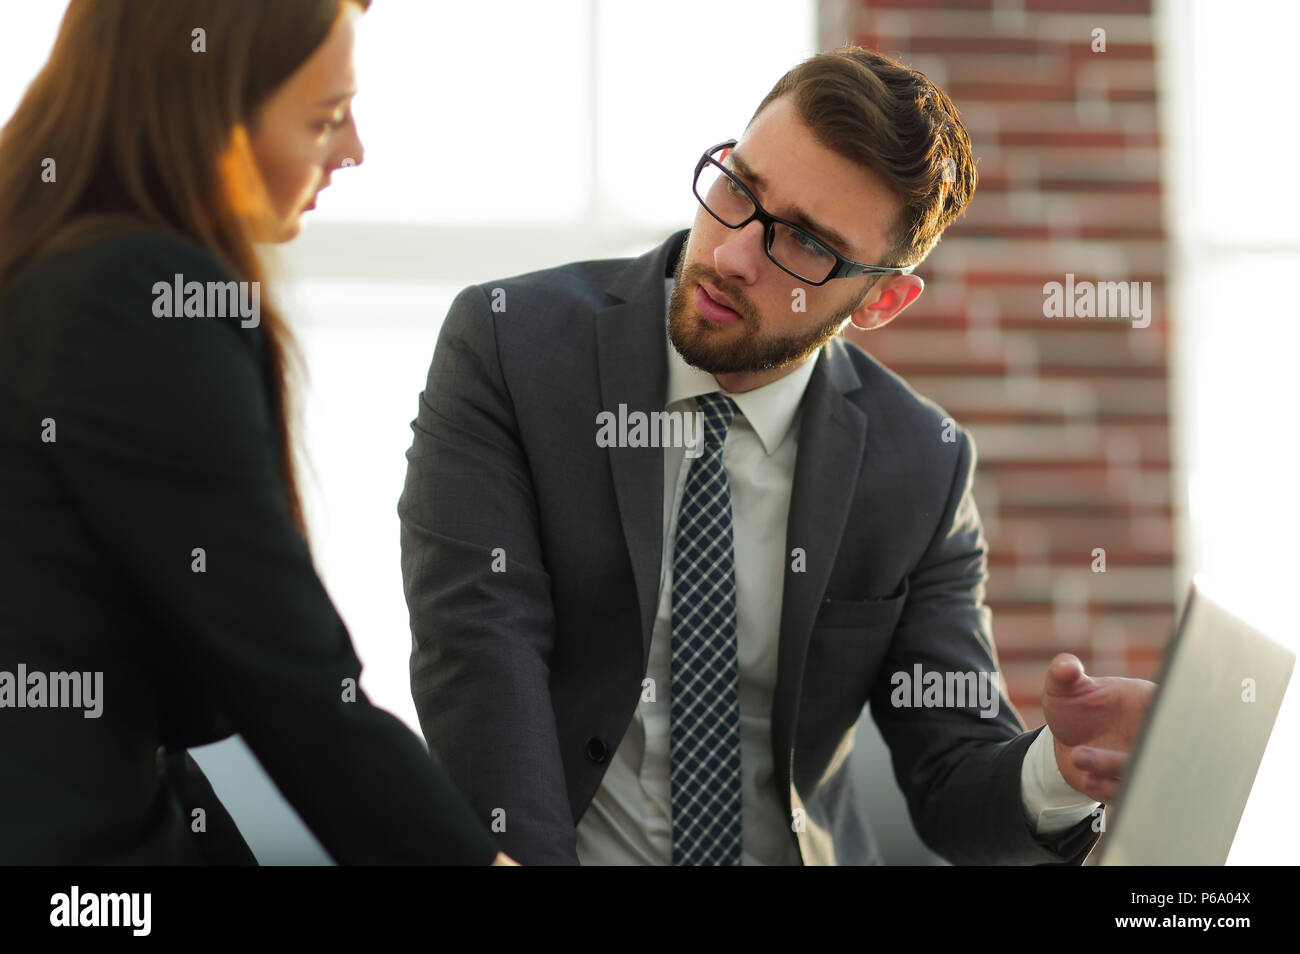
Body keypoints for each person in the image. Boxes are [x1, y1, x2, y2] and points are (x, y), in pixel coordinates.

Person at [398, 46, 1156, 865]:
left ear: (883, 300)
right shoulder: (513, 349)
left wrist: (1061, 769)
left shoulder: (920, 467)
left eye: (801, 243)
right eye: (738, 188)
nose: (731, 255)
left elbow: (953, 770)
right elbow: (480, 657)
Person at [0, 0, 515, 865]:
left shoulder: (44, 267)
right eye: (323, 118)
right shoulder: (135, 296)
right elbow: (289, 674)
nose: (351, 150)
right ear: (208, 110)